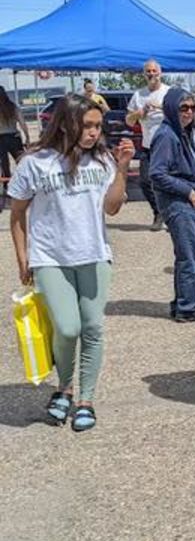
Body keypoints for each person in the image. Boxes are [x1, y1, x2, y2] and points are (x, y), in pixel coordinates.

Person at [7, 95, 135, 431]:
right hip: (50, 258)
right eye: (87, 125)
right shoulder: (35, 163)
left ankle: (85, 399)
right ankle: (63, 386)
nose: (94, 132)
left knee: (92, 328)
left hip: (94, 255)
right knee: (67, 327)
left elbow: (112, 208)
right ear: (66, 124)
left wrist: (121, 168)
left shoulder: (102, 161)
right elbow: (17, 214)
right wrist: (23, 258)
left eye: (98, 126)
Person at [150, 87, 195, 322]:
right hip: (177, 205)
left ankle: (182, 303)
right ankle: (188, 308)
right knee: (189, 257)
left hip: (188, 204)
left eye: (193, 108)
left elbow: (192, 167)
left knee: (185, 255)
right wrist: (188, 191)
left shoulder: (183, 133)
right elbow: (157, 174)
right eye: (184, 108)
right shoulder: (167, 135)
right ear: (171, 109)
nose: (189, 113)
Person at [127, 59, 170, 231]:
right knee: (145, 181)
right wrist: (139, 113)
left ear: (160, 72)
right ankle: (158, 212)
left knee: (167, 181)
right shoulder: (138, 95)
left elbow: (181, 112)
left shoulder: (168, 92)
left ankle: (170, 215)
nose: (152, 74)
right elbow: (128, 121)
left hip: (166, 146)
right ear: (144, 74)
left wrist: (160, 107)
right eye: (148, 71)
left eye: (154, 71)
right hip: (148, 146)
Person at [0, 85, 30, 185]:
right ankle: (26, 183)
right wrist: (27, 137)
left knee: (4, 164)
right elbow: (22, 123)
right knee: (21, 162)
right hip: (14, 136)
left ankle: (7, 186)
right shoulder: (13, 106)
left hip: (1, 138)